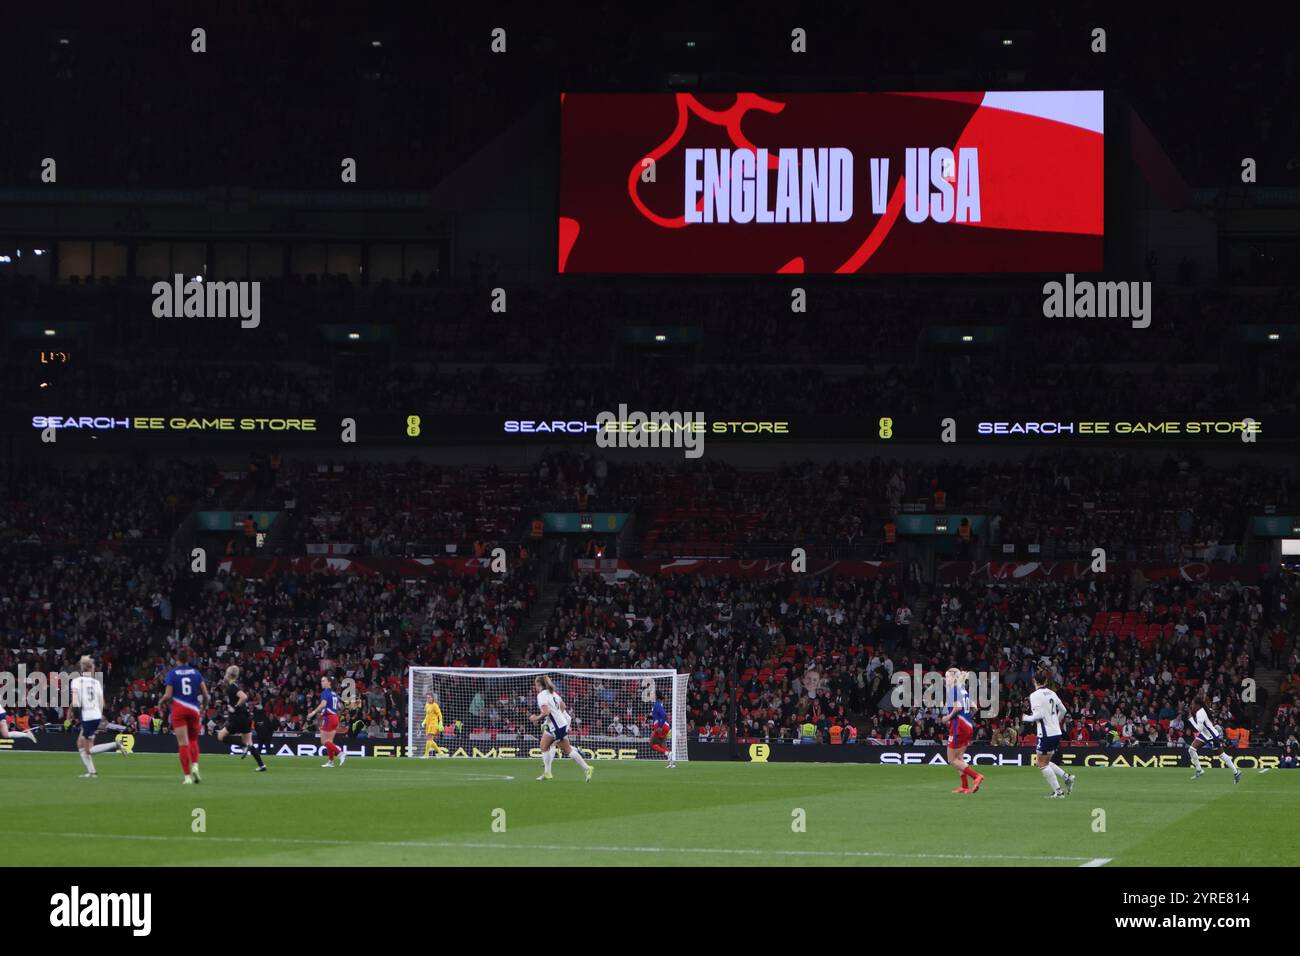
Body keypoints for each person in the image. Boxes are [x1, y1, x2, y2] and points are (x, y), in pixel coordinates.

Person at [1022, 667, 1075, 798]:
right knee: (1046, 762)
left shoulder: (1034, 695)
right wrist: (1055, 722)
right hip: (1056, 732)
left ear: (1034, 681)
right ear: (1046, 680)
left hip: (1045, 734)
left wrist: (1026, 717)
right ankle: (1067, 777)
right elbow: (1063, 710)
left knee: (1041, 764)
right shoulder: (1052, 693)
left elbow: (1038, 715)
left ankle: (1058, 792)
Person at [70, 656, 127, 778]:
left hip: (87, 717)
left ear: (81, 669)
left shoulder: (76, 681)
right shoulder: (96, 683)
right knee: (80, 744)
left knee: (88, 749)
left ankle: (115, 744)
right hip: (95, 715)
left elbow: (75, 703)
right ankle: (92, 772)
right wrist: (99, 715)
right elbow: (102, 703)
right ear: (91, 669)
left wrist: (72, 711)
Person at [159, 647, 209, 784]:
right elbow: (205, 695)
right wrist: (204, 706)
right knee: (193, 740)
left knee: (183, 744)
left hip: (179, 710)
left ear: (177, 659)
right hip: (193, 709)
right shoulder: (196, 673)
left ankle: (187, 777)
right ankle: (195, 766)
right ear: (189, 659)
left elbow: (168, 695)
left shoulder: (172, 673)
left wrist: (160, 702)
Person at [529, 675, 592, 782]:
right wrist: (557, 716)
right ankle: (547, 773)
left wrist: (536, 718)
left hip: (557, 726)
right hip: (557, 724)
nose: (535, 686)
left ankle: (587, 768)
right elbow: (563, 706)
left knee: (567, 750)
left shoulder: (541, 695)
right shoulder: (552, 693)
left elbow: (546, 712)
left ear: (538, 685)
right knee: (544, 746)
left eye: (535, 684)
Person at [940, 667, 983, 794]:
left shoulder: (953, 690)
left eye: (947, 676)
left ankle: (976, 776)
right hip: (968, 726)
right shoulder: (963, 690)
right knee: (959, 758)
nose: (945, 679)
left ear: (953, 678)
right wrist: (967, 718)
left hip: (958, 727)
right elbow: (974, 708)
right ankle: (964, 786)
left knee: (952, 760)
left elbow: (957, 708)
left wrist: (946, 718)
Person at [215, 665, 266, 772]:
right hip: (245, 718)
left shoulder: (232, 686)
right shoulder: (233, 685)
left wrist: (235, 707)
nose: (224, 675)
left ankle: (243, 746)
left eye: (226, 673)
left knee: (221, 736)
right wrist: (225, 703)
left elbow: (244, 697)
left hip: (237, 718)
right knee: (250, 743)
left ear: (229, 675)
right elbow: (236, 699)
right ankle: (261, 765)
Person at [1189, 693, 1242, 784]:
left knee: (1221, 755)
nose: (1192, 705)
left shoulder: (1200, 713)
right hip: (1205, 734)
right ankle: (1199, 770)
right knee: (1191, 749)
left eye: (1193, 704)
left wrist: (1191, 720)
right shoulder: (1201, 711)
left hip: (1212, 736)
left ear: (1197, 705)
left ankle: (1236, 772)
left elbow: (1199, 729)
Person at [306, 675, 346, 768]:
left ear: (329, 682)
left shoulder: (325, 692)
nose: (322, 682)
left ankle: (340, 753)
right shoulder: (334, 693)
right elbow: (340, 706)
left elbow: (323, 704)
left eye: (324, 681)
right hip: (335, 717)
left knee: (324, 742)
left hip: (329, 718)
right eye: (321, 681)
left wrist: (313, 713)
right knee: (329, 741)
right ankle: (331, 762)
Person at [649, 692, 675, 768]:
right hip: (666, 726)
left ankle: (667, 753)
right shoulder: (659, 704)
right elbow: (658, 715)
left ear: (656, 696)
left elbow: (664, 715)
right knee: (662, 745)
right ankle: (671, 763)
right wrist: (649, 717)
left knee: (652, 744)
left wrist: (660, 726)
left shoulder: (657, 704)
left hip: (660, 726)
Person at [422, 694, 448, 758]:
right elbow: (427, 715)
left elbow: (439, 714)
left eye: (429, 697)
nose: (428, 699)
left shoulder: (435, 705)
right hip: (428, 723)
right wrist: (424, 721)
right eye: (427, 698)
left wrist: (441, 722)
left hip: (433, 723)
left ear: (432, 698)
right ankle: (440, 752)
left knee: (429, 738)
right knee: (430, 739)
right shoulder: (427, 705)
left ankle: (426, 755)